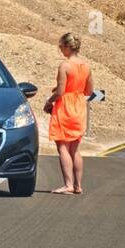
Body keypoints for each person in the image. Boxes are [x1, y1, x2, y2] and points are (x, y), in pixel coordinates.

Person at [44, 33, 93, 195]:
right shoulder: (86, 66)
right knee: (75, 149)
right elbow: (89, 91)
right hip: (79, 106)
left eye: (61, 46)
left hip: (65, 107)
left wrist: (49, 101)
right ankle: (78, 185)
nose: (60, 49)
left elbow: (60, 91)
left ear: (67, 46)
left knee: (63, 147)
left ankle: (68, 184)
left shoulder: (64, 66)